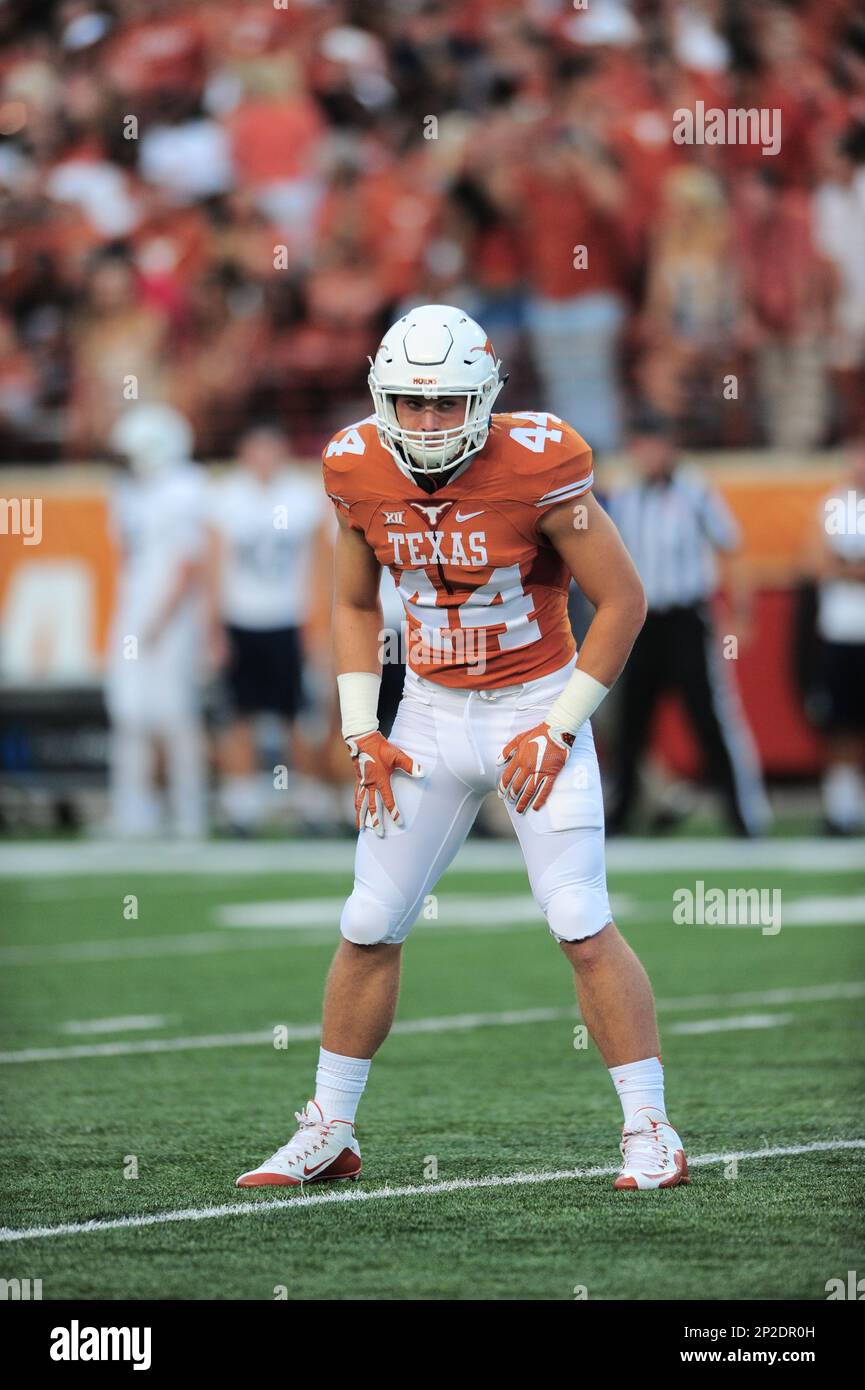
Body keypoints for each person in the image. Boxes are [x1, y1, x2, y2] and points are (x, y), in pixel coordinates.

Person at [235, 304, 689, 1193]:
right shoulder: (353, 465)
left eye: (447, 405)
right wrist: (362, 727)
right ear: (381, 398)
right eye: (409, 402)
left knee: (578, 919)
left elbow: (623, 602)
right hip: (432, 716)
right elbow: (357, 604)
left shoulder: (541, 463)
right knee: (368, 920)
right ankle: (328, 1126)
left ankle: (650, 1129)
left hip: (532, 707)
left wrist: (560, 725)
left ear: (484, 400)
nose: (427, 422)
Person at [605, 416, 772, 838]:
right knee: (632, 720)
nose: (649, 455)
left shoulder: (696, 489)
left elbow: (731, 548)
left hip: (686, 617)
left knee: (710, 717)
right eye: (642, 445)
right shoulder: (623, 493)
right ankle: (621, 815)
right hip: (642, 620)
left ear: (670, 446)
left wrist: (742, 613)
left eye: (656, 445)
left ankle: (744, 815)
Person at [206, 425, 327, 834]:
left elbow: (321, 566)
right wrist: (215, 626)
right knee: (240, 714)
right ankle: (243, 805)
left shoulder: (302, 495)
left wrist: (318, 623)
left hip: (289, 618)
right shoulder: (227, 496)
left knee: (299, 714)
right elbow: (215, 565)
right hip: (242, 618)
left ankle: (310, 800)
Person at [106, 402, 208, 838]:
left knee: (174, 713)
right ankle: (133, 811)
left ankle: (189, 811)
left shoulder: (186, 488)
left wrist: (159, 618)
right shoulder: (126, 491)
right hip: (134, 609)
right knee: (128, 712)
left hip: (172, 615)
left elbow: (188, 562)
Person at [809, 439, 865, 834]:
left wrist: (847, 565)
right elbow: (816, 562)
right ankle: (842, 807)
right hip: (842, 631)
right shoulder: (834, 505)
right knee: (841, 722)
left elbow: (835, 564)